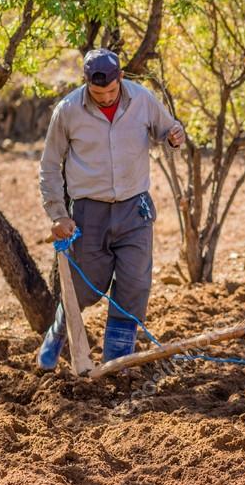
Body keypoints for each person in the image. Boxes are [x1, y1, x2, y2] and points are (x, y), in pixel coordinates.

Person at [36, 48, 185, 370]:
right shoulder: (68, 111)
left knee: (135, 284)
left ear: (121, 79)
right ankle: (58, 331)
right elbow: (49, 166)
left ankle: (115, 360)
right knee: (86, 287)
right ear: (86, 84)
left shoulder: (142, 99)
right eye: (98, 92)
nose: (106, 97)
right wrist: (59, 214)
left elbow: (168, 130)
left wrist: (175, 136)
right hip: (89, 212)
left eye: (112, 91)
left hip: (135, 208)